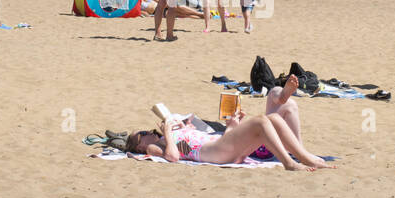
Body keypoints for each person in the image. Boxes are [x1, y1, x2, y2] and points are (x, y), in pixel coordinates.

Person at [127, 82, 330, 172]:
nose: (147, 133)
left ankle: (305, 156)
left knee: (274, 120)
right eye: (142, 135)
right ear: (139, 147)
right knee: (261, 120)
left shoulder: (172, 134)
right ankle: (289, 163)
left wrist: (232, 127)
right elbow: (172, 157)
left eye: (144, 131)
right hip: (216, 153)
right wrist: (167, 134)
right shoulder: (155, 148)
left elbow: (204, 139)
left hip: (221, 147)